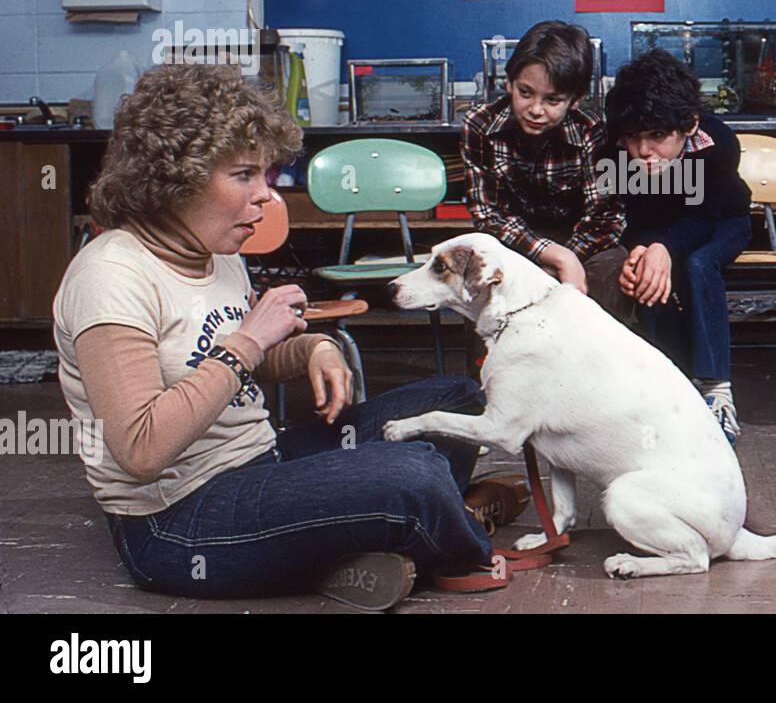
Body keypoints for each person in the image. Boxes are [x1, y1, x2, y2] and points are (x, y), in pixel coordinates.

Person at [54, 64, 517, 610]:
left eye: (266, 177)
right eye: (244, 176)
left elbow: (248, 358)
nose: (266, 199)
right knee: (412, 473)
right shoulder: (110, 277)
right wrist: (248, 341)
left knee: (455, 397)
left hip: (264, 461)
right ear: (172, 177)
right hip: (179, 524)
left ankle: (354, 548)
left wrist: (311, 347)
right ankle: (454, 536)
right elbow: (141, 449)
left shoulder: (213, 251)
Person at [603, 49, 753, 444]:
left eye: (657, 136)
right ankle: (677, 385)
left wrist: (664, 249)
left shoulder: (716, 142)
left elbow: (704, 217)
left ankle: (718, 391)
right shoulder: (614, 150)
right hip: (656, 231)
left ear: (688, 124)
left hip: (723, 223)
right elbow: (630, 215)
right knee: (646, 275)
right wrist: (642, 251)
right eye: (633, 137)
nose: (643, 151)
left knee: (699, 264)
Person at [461, 20, 628, 317]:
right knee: (481, 275)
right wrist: (555, 256)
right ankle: (488, 362)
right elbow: (489, 216)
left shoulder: (591, 131)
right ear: (509, 83)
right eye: (526, 93)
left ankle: (596, 360)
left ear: (574, 100)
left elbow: (605, 216)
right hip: (512, 241)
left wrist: (568, 257)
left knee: (611, 270)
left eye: (552, 100)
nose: (536, 109)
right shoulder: (479, 125)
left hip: (582, 239)